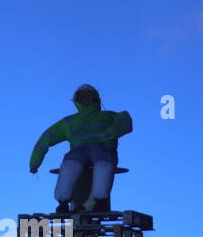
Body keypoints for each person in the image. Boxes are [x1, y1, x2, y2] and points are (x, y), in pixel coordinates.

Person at [28, 84, 133, 213]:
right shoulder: (109, 116)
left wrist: (34, 164)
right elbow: (126, 121)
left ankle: (63, 202)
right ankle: (99, 200)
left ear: (76, 102)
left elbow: (45, 140)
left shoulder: (69, 122)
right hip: (102, 149)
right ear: (97, 99)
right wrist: (110, 133)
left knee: (70, 166)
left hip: (81, 151)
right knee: (102, 166)